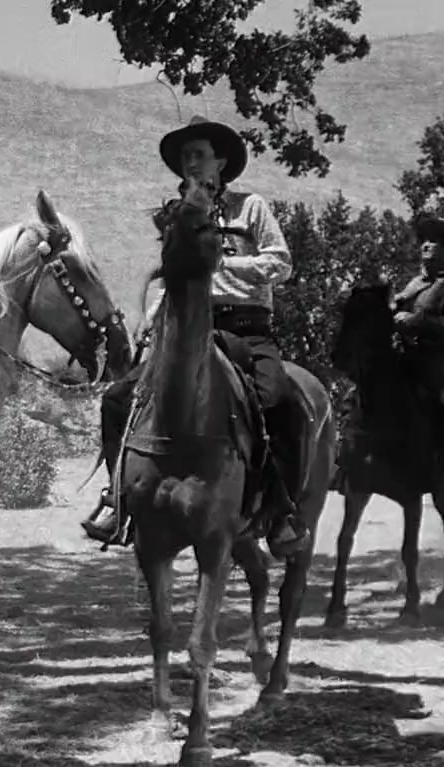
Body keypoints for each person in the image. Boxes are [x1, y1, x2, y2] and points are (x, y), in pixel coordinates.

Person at [80, 115, 310, 558]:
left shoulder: (251, 207)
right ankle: (119, 499)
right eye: (186, 156)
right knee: (117, 399)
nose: (191, 161)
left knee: (279, 400)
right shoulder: (176, 214)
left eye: (199, 154)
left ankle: (281, 509)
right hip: (186, 329)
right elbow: (171, 274)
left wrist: (224, 264)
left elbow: (281, 262)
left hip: (244, 326)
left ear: (221, 163)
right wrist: (150, 317)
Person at [390, 214, 444, 488]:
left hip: (433, 360)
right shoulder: (414, 283)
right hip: (402, 356)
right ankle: (346, 457)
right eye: (424, 240)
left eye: (433, 241)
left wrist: (417, 321)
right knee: (361, 390)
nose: (425, 245)